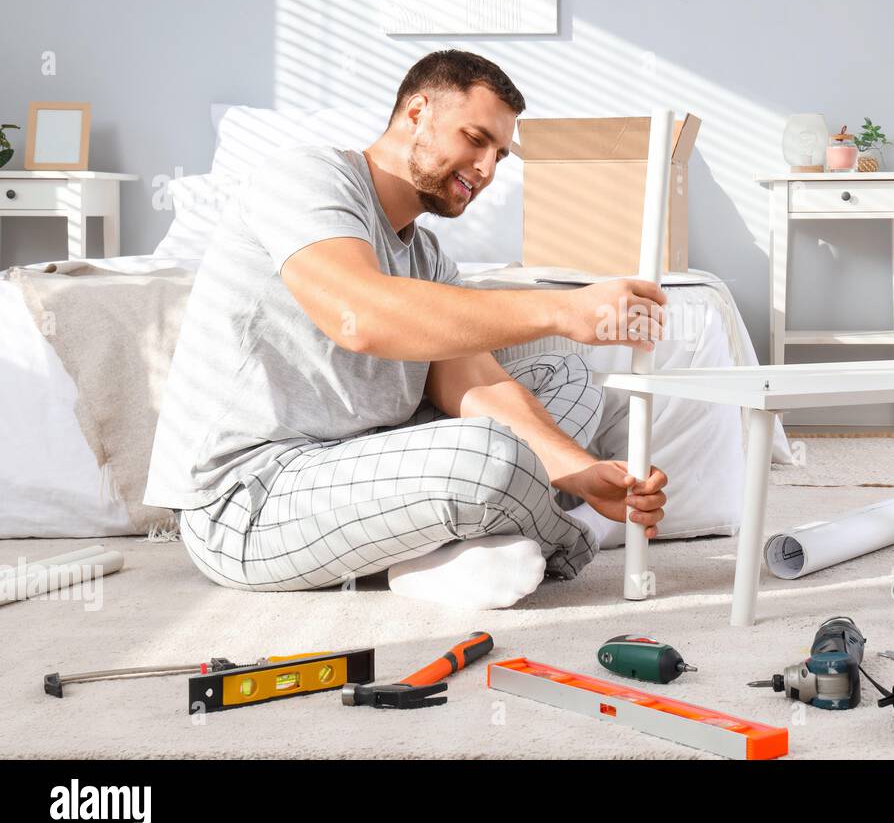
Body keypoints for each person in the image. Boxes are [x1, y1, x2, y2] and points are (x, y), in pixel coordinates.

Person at [143, 49, 668, 609]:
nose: (487, 169)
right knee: (488, 454)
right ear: (418, 112)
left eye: (499, 155)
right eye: (475, 138)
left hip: (362, 466)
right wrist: (563, 311)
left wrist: (580, 471)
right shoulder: (307, 178)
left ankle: (449, 543)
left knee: (563, 374)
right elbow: (362, 316)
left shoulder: (429, 257)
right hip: (250, 500)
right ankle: (565, 536)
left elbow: (476, 384)